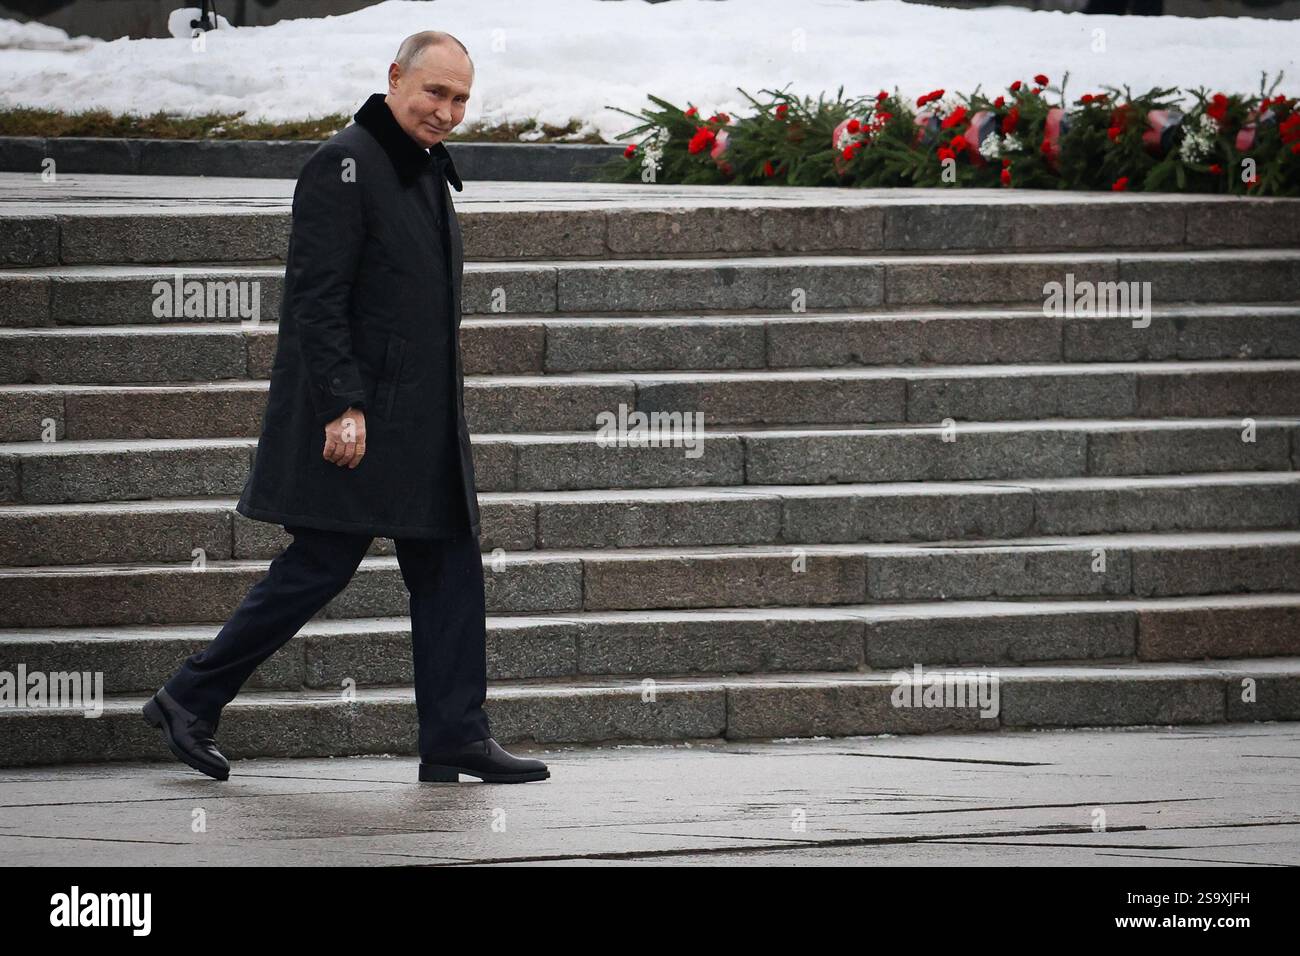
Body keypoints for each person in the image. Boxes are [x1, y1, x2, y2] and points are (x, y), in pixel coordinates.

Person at [142, 31, 549, 785]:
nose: (448, 112)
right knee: (320, 565)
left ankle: (456, 734)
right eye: (435, 93)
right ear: (395, 78)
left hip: (421, 421)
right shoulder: (346, 163)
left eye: (461, 98)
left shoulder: (420, 167)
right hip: (363, 422)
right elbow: (315, 301)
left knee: (450, 566)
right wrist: (341, 407)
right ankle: (189, 696)